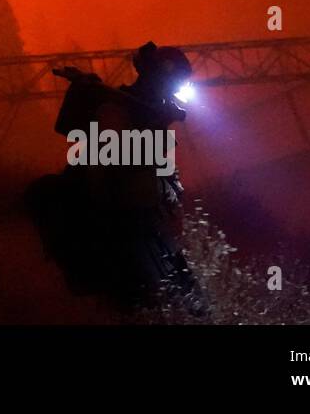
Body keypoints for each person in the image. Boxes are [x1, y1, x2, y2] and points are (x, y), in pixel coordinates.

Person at [29, 42, 202, 312]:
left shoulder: (150, 112)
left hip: (147, 219)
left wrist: (173, 193)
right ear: (155, 76)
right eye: (171, 82)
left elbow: (161, 169)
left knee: (193, 302)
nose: (171, 91)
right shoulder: (115, 110)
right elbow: (114, 162)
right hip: (119, 221)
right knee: (138, 302)